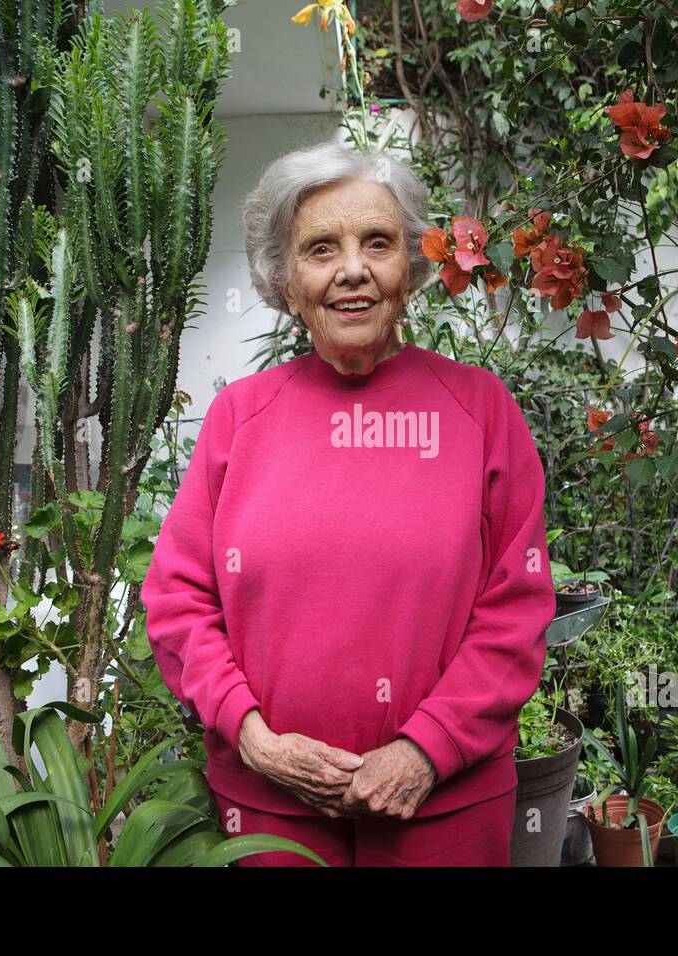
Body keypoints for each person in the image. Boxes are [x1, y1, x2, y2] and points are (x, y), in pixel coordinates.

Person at [139, 139, 557, 866]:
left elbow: (516, 609)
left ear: (411, 267)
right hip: (270, 809)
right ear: (285, 279)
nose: (353, 270)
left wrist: (425, 751)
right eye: (321, 249)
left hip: (445, 807)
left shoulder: (480, 411)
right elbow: (178, 599)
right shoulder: (240, 417)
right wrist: (254, 737)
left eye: (377, 243)